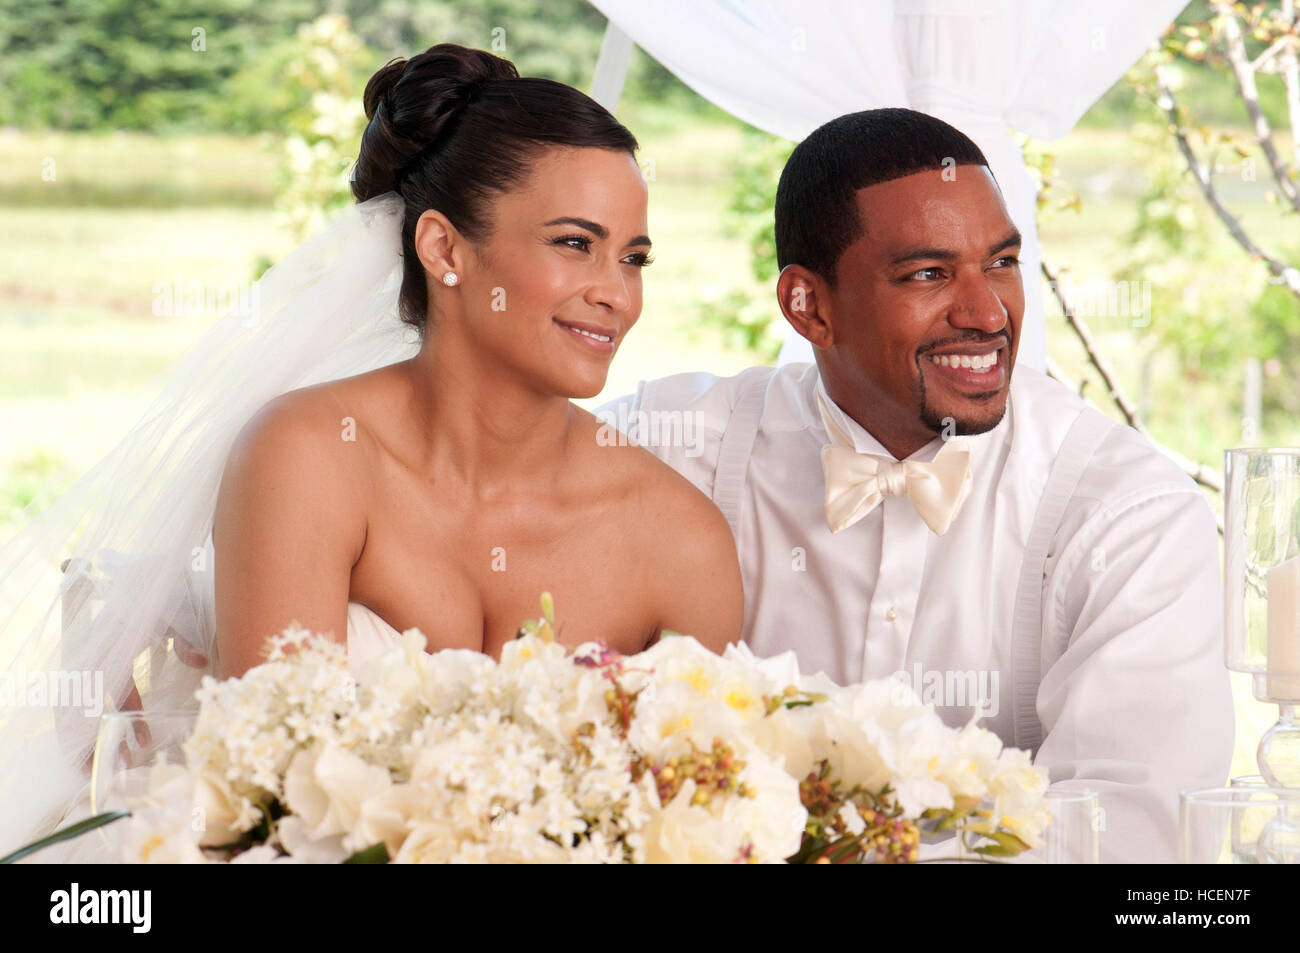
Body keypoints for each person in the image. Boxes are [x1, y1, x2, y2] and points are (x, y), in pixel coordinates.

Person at [0, 43, 741, 859]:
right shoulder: (305, 456)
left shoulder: (681, 540)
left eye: (634, 258)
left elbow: (700, 823)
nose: (617, 293)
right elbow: (273, 797)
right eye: (575, 244)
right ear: (444, 249)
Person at [596, 107, 1234, 863]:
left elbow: (1134, 833)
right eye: (928, 274)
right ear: (809, 306)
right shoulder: (675, 449)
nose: (987, 312)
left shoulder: (1128, 514)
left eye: (1001, 263)